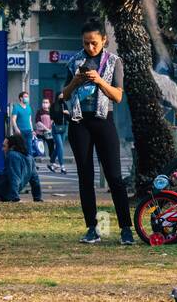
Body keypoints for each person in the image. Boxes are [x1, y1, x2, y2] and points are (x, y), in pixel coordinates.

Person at [60, 19, 132, 244]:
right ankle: (92, 227)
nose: (90, 47)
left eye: (94, 43)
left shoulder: (114, 62)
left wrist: (100, 80)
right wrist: (76, 81)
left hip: (103, 120)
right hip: (79, 122)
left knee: (114, 177)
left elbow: (118, 96)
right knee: (85, 176)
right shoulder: (74, 61)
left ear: (104, 40)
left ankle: (125, 229)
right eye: (86, 43)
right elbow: (65, 95)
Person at [9, 90, 43, 200]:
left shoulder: (28, 107)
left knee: (29, 151)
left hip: (28, 131)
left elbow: (29, 119)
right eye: (25, 97)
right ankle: (22, 168)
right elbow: (13, 119)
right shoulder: (16, 107)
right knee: (19, 151)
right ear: (20, 98)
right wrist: (16, 129)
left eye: (27, 96)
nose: (26, 98)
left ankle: (29, 167)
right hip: (20, 132)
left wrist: (32, 130)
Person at [47, 92, 66, 172]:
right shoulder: (53, 105)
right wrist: (62, 112)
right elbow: (52, 116)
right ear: (58, 96)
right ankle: (62, 166)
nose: (62, 96)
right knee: (60, 146)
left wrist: (67, 113)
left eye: (63, 95)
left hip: (64, 127)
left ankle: (51, 162)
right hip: (56, 127)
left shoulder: (64, 104)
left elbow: (68, 116)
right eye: (61, 95)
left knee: (58, 147)